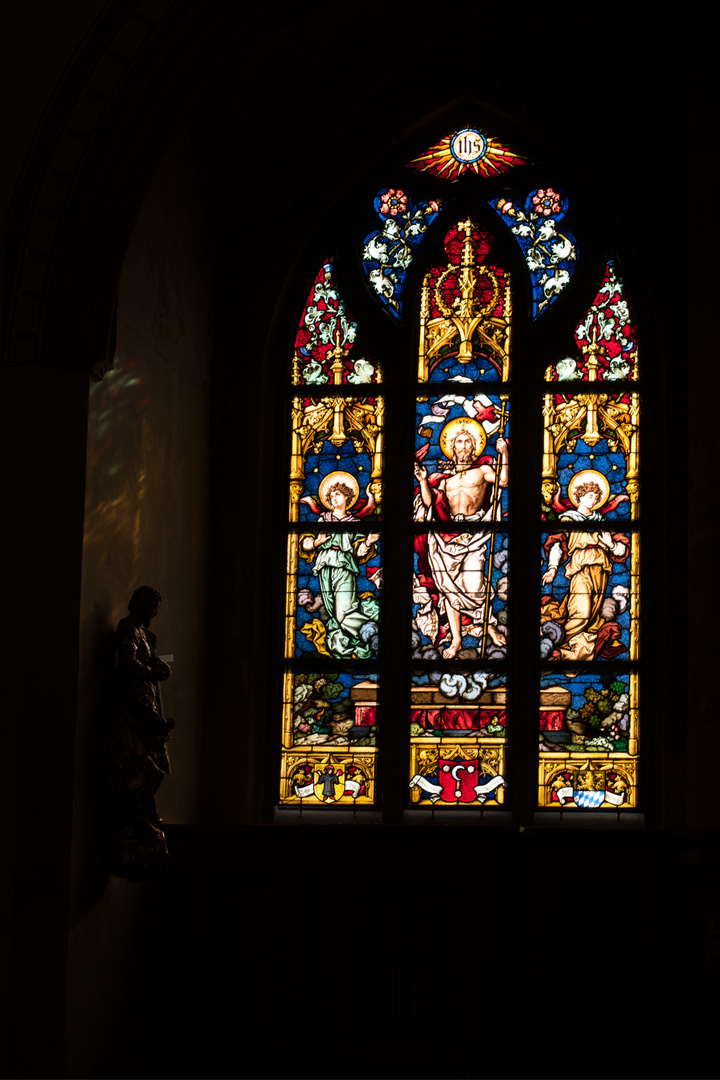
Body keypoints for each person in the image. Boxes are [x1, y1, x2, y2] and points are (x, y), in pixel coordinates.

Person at [413, 421, 508, 659]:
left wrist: (504, 454)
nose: (463, 445)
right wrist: (423, 480)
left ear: (474, 446)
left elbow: (504, 482)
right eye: (458, 441)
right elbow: (428, 503)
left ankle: (487, 625)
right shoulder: (445, 481)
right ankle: (456, 640)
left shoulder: (483, 471)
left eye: (467, 441)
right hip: (446, 539)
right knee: (449, 590)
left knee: (475, 586)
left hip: (475, 534)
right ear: (452, 448)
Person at [107, 586, 174, 880]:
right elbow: (128, 665)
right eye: (154, 609)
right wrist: (149, 672)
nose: (155, 614)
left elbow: (152, 663)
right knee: (140, 763)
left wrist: (160, 667)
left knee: (157, 766)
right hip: (132, 707)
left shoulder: (146, 636)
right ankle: (133, 820)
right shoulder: (128, 630)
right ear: (145, 606)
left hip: (146, 703)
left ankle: (143, 813)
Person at [542, 475, 628, 661]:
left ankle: (566, 649)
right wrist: (552, 568)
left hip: (601, 571)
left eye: (596, 497)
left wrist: (611, 545)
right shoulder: (567, 520)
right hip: (581, 570)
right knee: (581, 613)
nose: (594, 500)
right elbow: (557, 545)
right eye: (590, 496)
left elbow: (620, 550)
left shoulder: (601, 522)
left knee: (591, 617)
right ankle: (552, 645)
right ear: (579, 497)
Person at [301, 475, 380, 659]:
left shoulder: (354, 524)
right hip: (324, 566)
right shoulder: (323, 520)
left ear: (347, 497)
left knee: (344, 613)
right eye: (331, 495)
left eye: (338, 494)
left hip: (344, 566)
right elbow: (304, 542)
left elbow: (359, 552)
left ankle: (373, 633)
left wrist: (368, 542)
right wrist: (315, 543)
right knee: (334, 615)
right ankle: (362, 637)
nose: (334, 498)